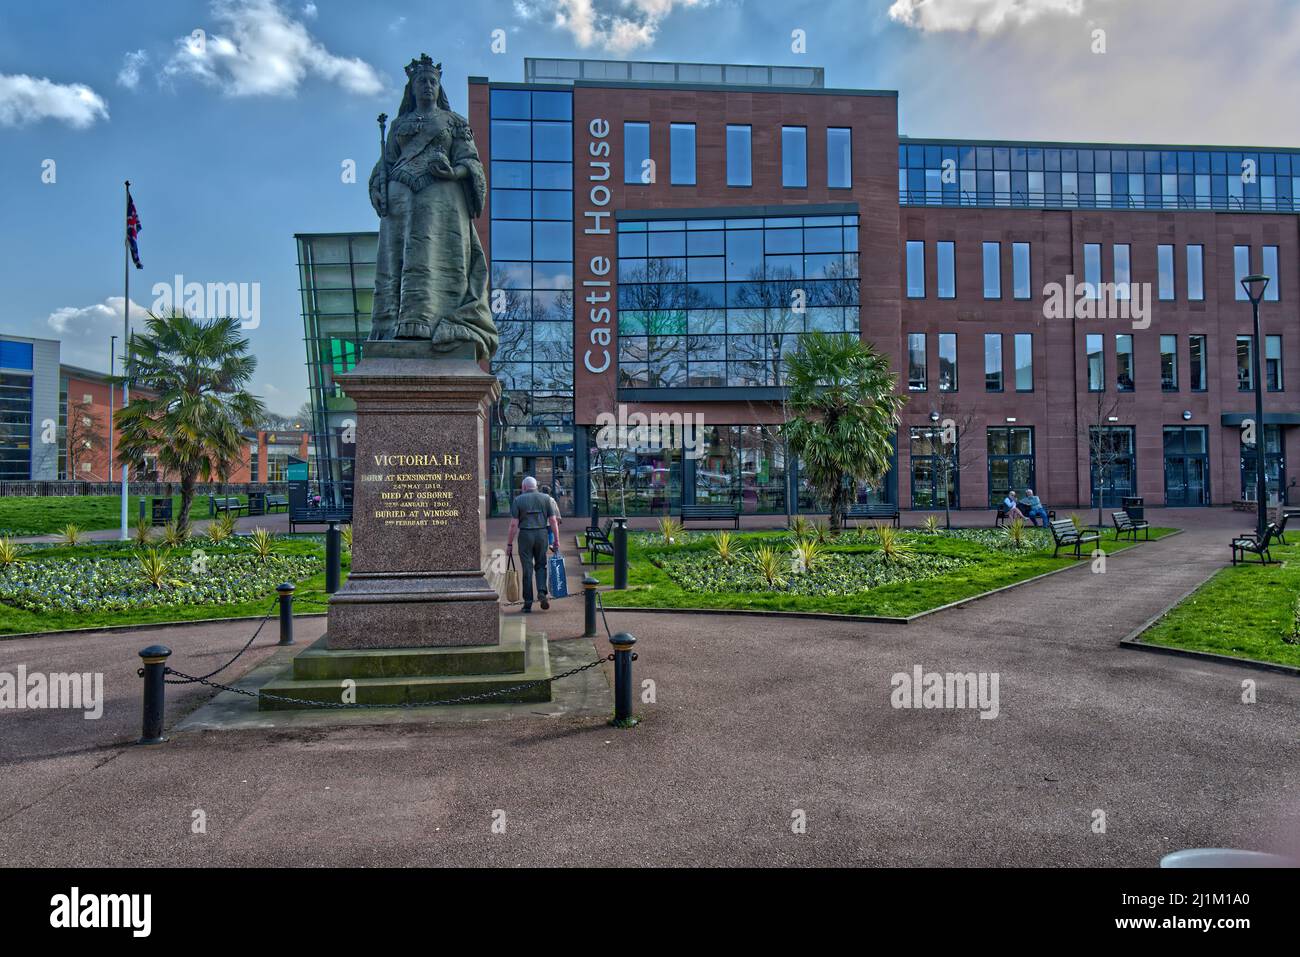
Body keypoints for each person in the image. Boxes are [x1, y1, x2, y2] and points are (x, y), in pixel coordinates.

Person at [505, 476, 560, 613]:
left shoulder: (518, 500)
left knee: (527, 569)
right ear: (535, 486)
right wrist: (556, 540)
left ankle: (528, 603)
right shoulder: (546, 499)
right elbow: (553, 521)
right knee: (541, 565)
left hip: (525, 536)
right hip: (542, 534)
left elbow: (513, 525)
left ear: (524, 487)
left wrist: (509, 544)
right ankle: (542, 592)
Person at [540, 484, 562, 550]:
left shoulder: (539, 500)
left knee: (542, 534)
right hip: (550, 520)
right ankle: (551, 544)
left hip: (541, 520)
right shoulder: (552, 500)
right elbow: (556, 509)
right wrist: (559, 517)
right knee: (550, 532)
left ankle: (543, 545)